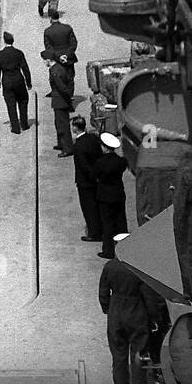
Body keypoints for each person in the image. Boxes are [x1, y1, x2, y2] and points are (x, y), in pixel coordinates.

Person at [99, 233, 170, 384]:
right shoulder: (138, 268)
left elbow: (103, 293)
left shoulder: (110, 266)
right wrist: (155, 318)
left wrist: (108, 309)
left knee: (118, 356)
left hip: (116, 314)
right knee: (140, 355)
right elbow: (150, 297)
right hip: (137, 314)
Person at [93, 132, 130, 259]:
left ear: (104, 147)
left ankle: (108, 250)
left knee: (107, 224)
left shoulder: (100, 163)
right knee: (121, 222)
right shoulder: (121, 162)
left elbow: (95, 176)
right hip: (118, 194)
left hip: (104, 196)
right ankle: (125, 249)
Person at [0, 31, 32, 134]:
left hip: (7, 81)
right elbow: (25, 68)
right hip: (19, 80)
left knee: (11, 105)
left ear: (4, 41)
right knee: (23, 101)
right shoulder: (19, 53)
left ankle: (15, 127)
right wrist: (28, 83)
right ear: (13, 41)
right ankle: (24, 124)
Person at [71, 115, 103, 243]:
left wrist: (91, 177)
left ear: (75, 128)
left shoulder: (78, 146)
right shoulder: (92, 138)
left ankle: (94, 233)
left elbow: (84, 166)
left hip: (85, 182)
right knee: (96, 206)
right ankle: (99, 229)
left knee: (89, 208)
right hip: (96, 179)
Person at [48, 53, 76, 155]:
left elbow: (62, 88)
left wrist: (68, 100)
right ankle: (61, 143)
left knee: (62, 125)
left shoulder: (55, 71)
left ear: (48, 60)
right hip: (60, 101)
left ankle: (67, 148)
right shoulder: (57, 68)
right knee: (58, 123)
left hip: (60, 101)